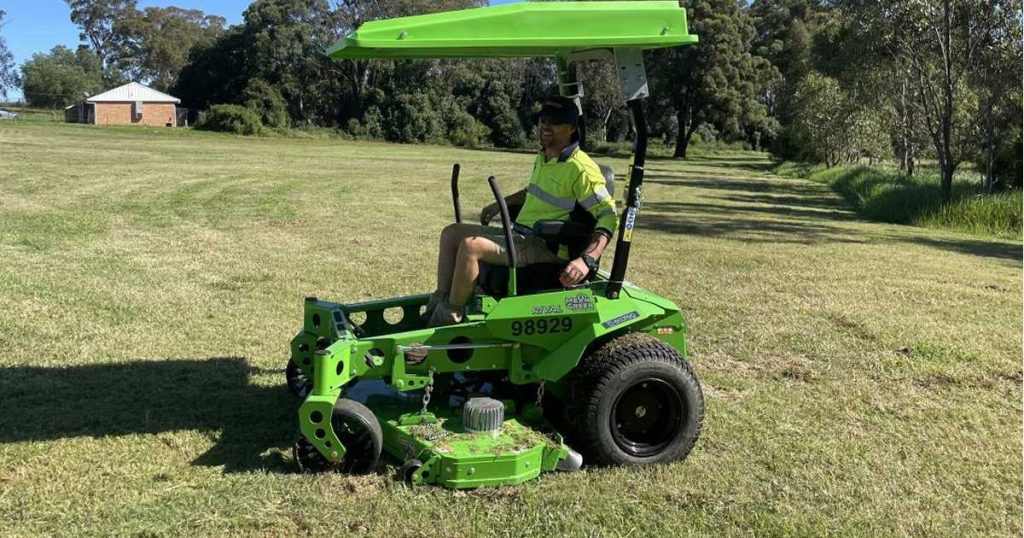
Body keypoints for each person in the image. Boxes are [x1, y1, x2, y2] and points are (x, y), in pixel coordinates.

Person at [424, 95, 618, 327]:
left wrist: (586, 260)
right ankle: (439, 303)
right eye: (543, 120)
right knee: (451, 233)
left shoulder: (581, 169)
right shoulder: (545, 156)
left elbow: (608, 215)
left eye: (555, 121)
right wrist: (500, 204)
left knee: (471, 246)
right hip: (521, 235)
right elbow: (532, 192)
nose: (546, 126)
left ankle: (448, 321)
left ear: (572, 128)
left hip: (547, 246)